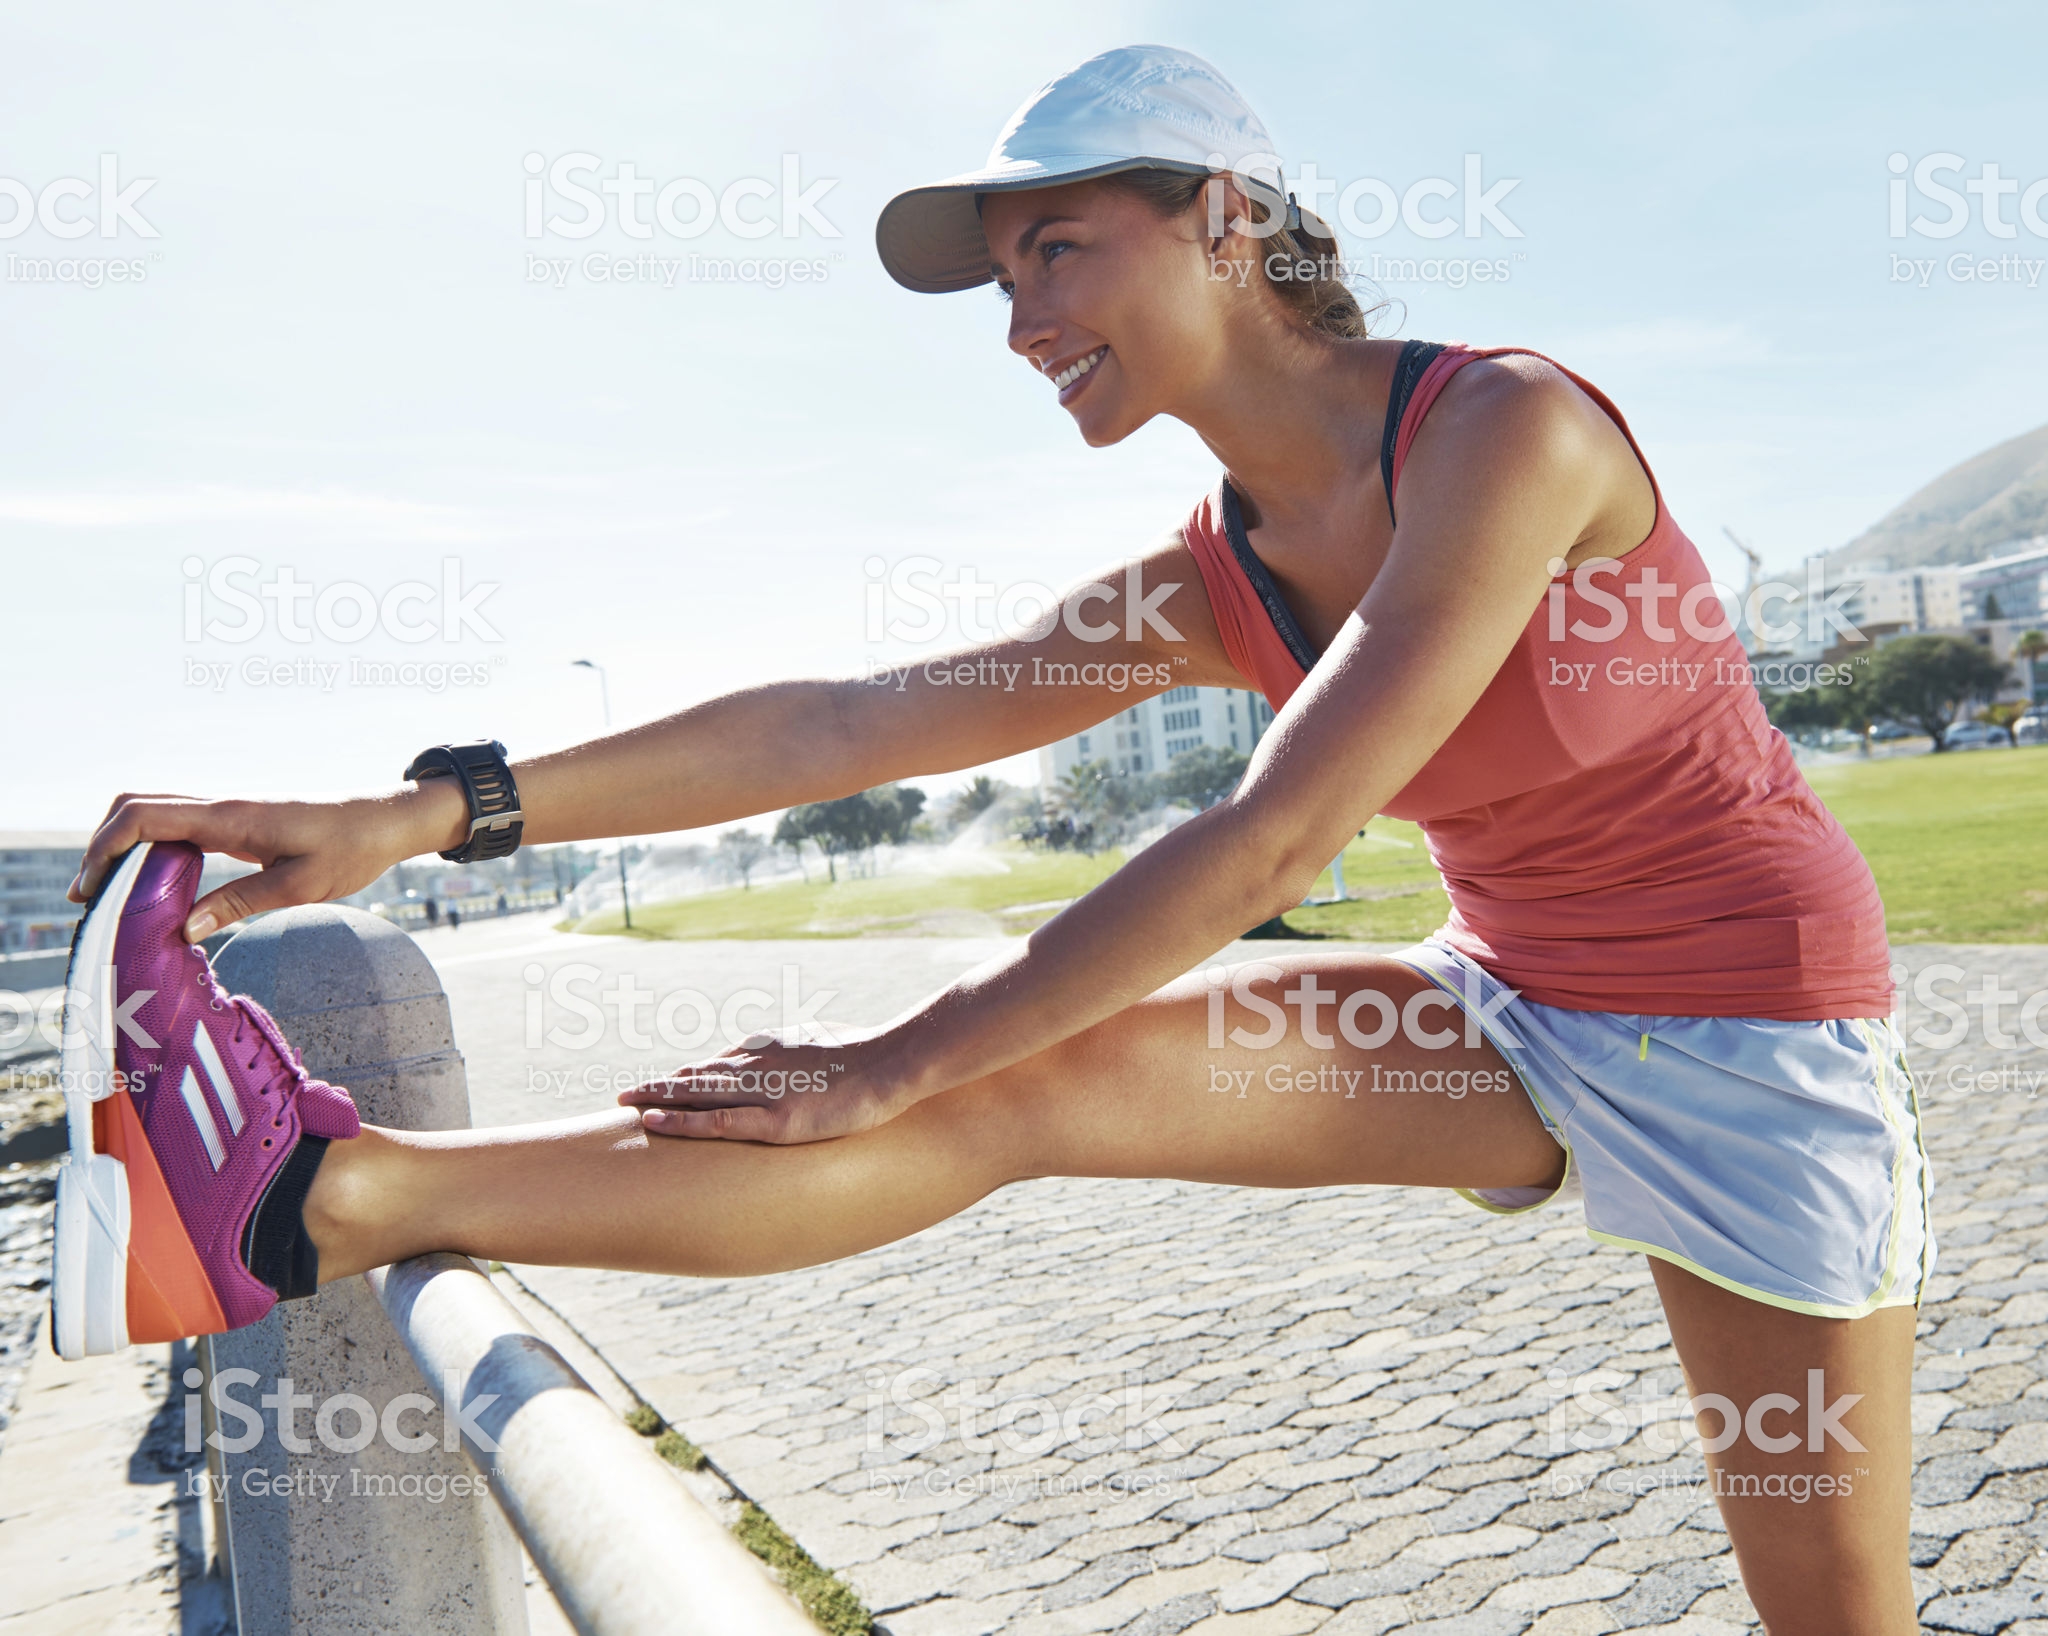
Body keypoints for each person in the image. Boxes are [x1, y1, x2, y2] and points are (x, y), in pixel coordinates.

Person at [56, 46, 1928, 1633]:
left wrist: (893, 1055)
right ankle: (316, 1202)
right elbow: (852, 722)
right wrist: (424, 809)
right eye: (1005, 281)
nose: (1024, 323)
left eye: (1056, 252)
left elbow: (1279, 839)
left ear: (1227, 219)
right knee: (1007, 1090)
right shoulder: (1221, 576)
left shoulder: (1506, 429)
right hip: (1507, 1009)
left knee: (1825, 1609)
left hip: (1757, 1034)